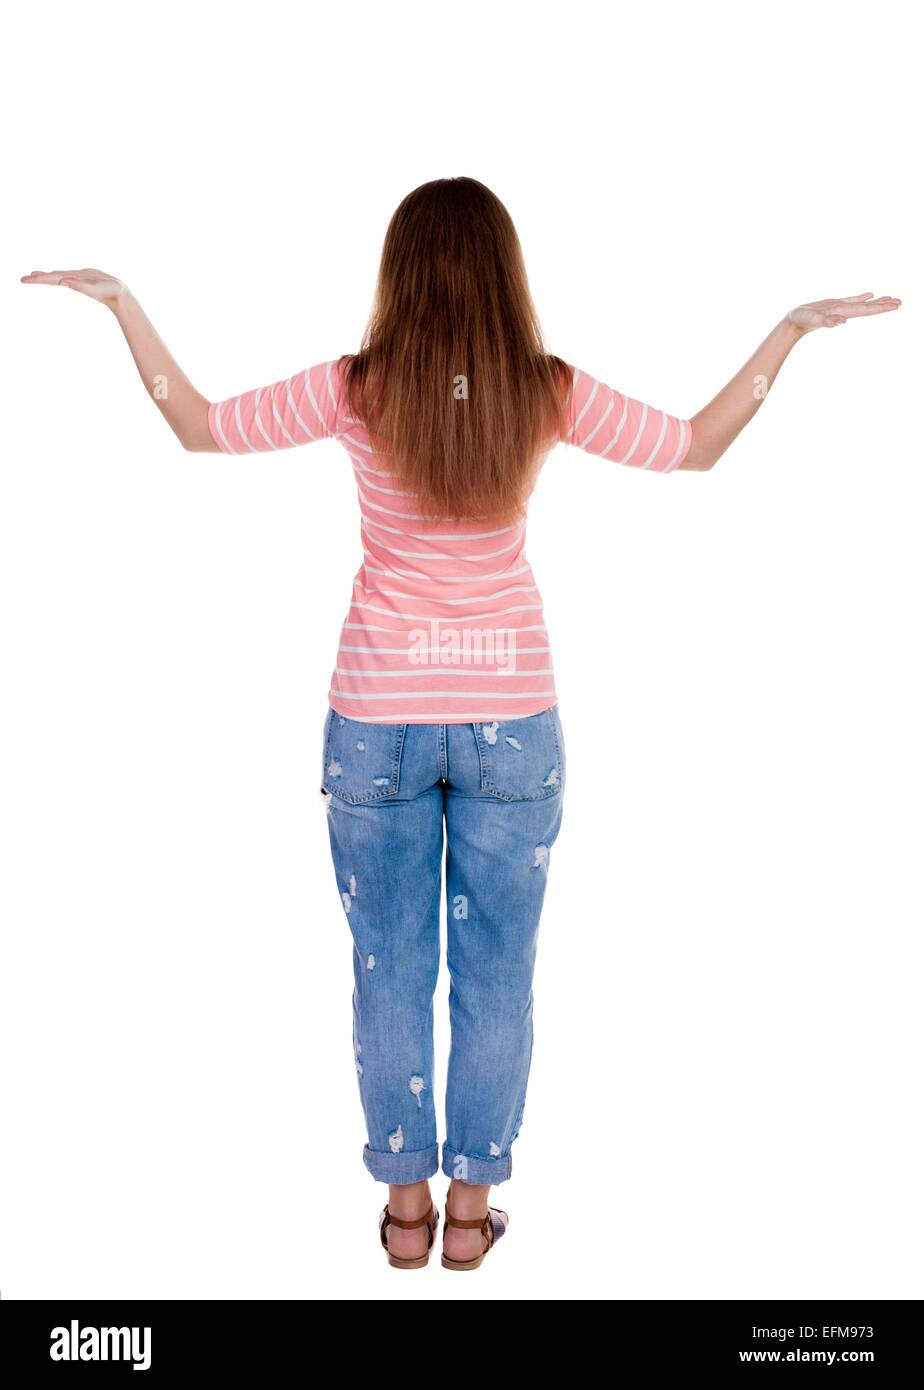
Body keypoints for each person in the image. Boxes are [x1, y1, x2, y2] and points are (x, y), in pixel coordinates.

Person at [22, 176, 900, 1272]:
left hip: (376, 724)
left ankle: (404, 1212)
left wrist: (123, 307)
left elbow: (195, 426)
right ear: (504, 275)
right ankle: (473, 1214)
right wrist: (788, 336)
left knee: (390, 965)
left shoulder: (357, 388)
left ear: (399, 276)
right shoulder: (545, 391)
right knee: (497, 973)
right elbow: (696, 446)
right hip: (510, 724)